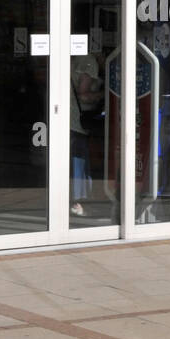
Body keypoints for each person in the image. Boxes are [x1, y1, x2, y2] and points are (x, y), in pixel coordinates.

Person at [69, 52, 103, 216]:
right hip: (77, 121)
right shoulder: (88, 61)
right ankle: (78, 203)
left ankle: (74, 201)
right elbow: (84, 95)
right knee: (79, 161)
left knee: (73, 160)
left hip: (66, 118)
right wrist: (104, 94)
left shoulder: (73, 58)